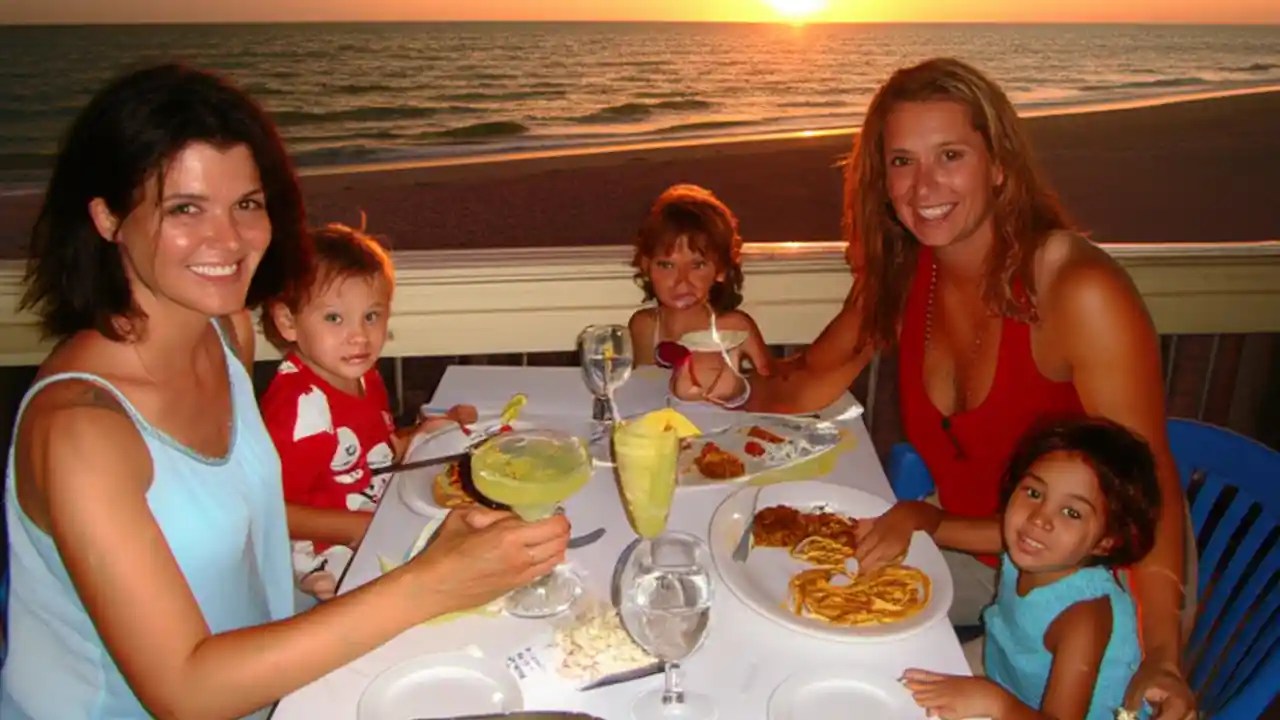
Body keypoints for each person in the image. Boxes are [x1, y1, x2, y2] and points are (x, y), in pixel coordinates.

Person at [2, 63, 568, 720]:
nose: (230, 240)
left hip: (281, 671)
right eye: (186, 208)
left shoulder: (226, 333)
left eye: (246, 204)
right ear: (106, 218)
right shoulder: (82, 430)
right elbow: (183, 690)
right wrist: (429, 582)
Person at [672, 58, 1195, 717]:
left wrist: (1163, 656)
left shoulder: (1078, 291)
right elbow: (805, 382)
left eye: (950, 155)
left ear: (998, 163)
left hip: (1092, 582)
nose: (924, 187)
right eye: (901, 162)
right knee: (779, 605)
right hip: (984, 547)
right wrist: (728, 384)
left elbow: (1155, 482)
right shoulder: (903, 272)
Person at [259, 222, 477, 601]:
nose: (359, 335)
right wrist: (363, 527)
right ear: (288, 322)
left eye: (371, 316)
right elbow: (273, 514)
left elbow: (375, 450)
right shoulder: (299, 413)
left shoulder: (361, 374)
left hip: (373, 507)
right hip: (321, 548)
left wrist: (427, 431)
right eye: (334, 318)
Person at [897, 418, 1159, 720]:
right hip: (1008, 688)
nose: (1038, 519)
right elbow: (939, 525)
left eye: (1071, 512)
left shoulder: (1084, 616)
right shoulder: (1027, 543)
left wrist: (994, 702)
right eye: (1034, 493)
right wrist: (911, 514)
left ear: (1106, 542)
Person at [626, 183, 772, 402]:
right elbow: (643, 395)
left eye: (698, 265)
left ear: (721, 270)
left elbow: (773, 388)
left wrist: (739, 391)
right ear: (646, 267)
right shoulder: (644, 326)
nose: (681, 281)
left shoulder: (735, 327)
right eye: (666, 265)